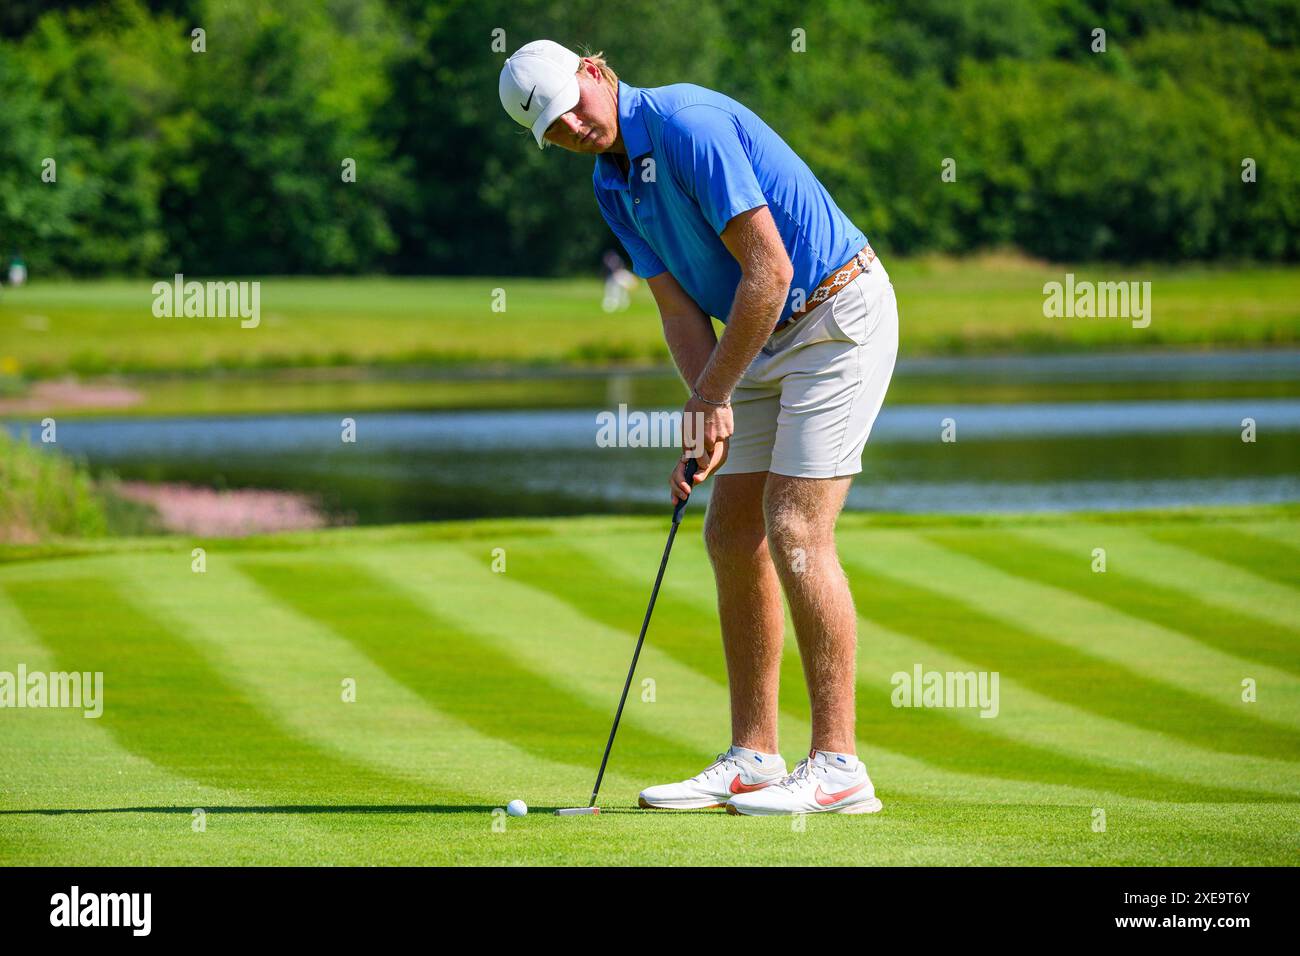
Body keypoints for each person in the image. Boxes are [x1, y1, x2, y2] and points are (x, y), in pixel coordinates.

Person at [499, 40, 898, 816]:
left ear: (594, 71)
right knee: (728, 533)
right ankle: (753, 757)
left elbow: (770, 270)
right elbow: (679, 311)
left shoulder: (688, 123)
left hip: (832, 319)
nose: (572, 128)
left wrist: (714, 395)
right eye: (552, 128)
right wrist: (704, 411)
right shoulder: (611, 183)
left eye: (572, 107)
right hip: (759, 337)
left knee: (795, 527)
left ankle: (839, 766)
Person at [601, 248, 636, 312]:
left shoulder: (616, 259)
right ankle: (613, 304)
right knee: (611, 291)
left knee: (619, 292)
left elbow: (619, 269)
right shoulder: (611, 260)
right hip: (612, 278)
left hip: (618, 278)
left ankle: (621, 304)